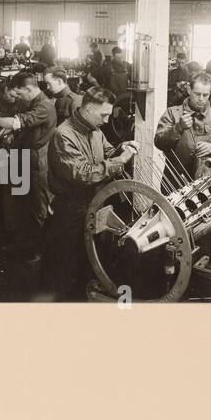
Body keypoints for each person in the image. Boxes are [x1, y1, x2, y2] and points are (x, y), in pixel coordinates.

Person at [45, 86, 138, 299]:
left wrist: (122, 148)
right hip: (70, 210)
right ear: (87, 109)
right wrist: (119, 161)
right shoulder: (64, 135)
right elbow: (83, 175)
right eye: (103, 115)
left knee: (89, 261)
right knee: (67, 266)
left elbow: (107, 154)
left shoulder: (95, 131)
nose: (107, 121)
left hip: (93, 203)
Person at [0, 70, 57, 260]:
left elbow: (16, 123)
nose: (18, 98)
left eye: (19, 93)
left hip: (39, 161)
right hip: (26, 157)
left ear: (28, 88)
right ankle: (28, 245)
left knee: (40, 206)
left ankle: (42, 252)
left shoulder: (44, 106)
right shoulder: (33, 102)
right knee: (25, 203)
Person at [154, 71, 211, 178]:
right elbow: (159, 142)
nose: (201, 99)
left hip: (206, 181)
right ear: (189, 90)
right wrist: (178, 128)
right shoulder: (172, 113)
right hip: (175, 180)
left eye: (205, 95)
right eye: (197, 94)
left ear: (210, 93)